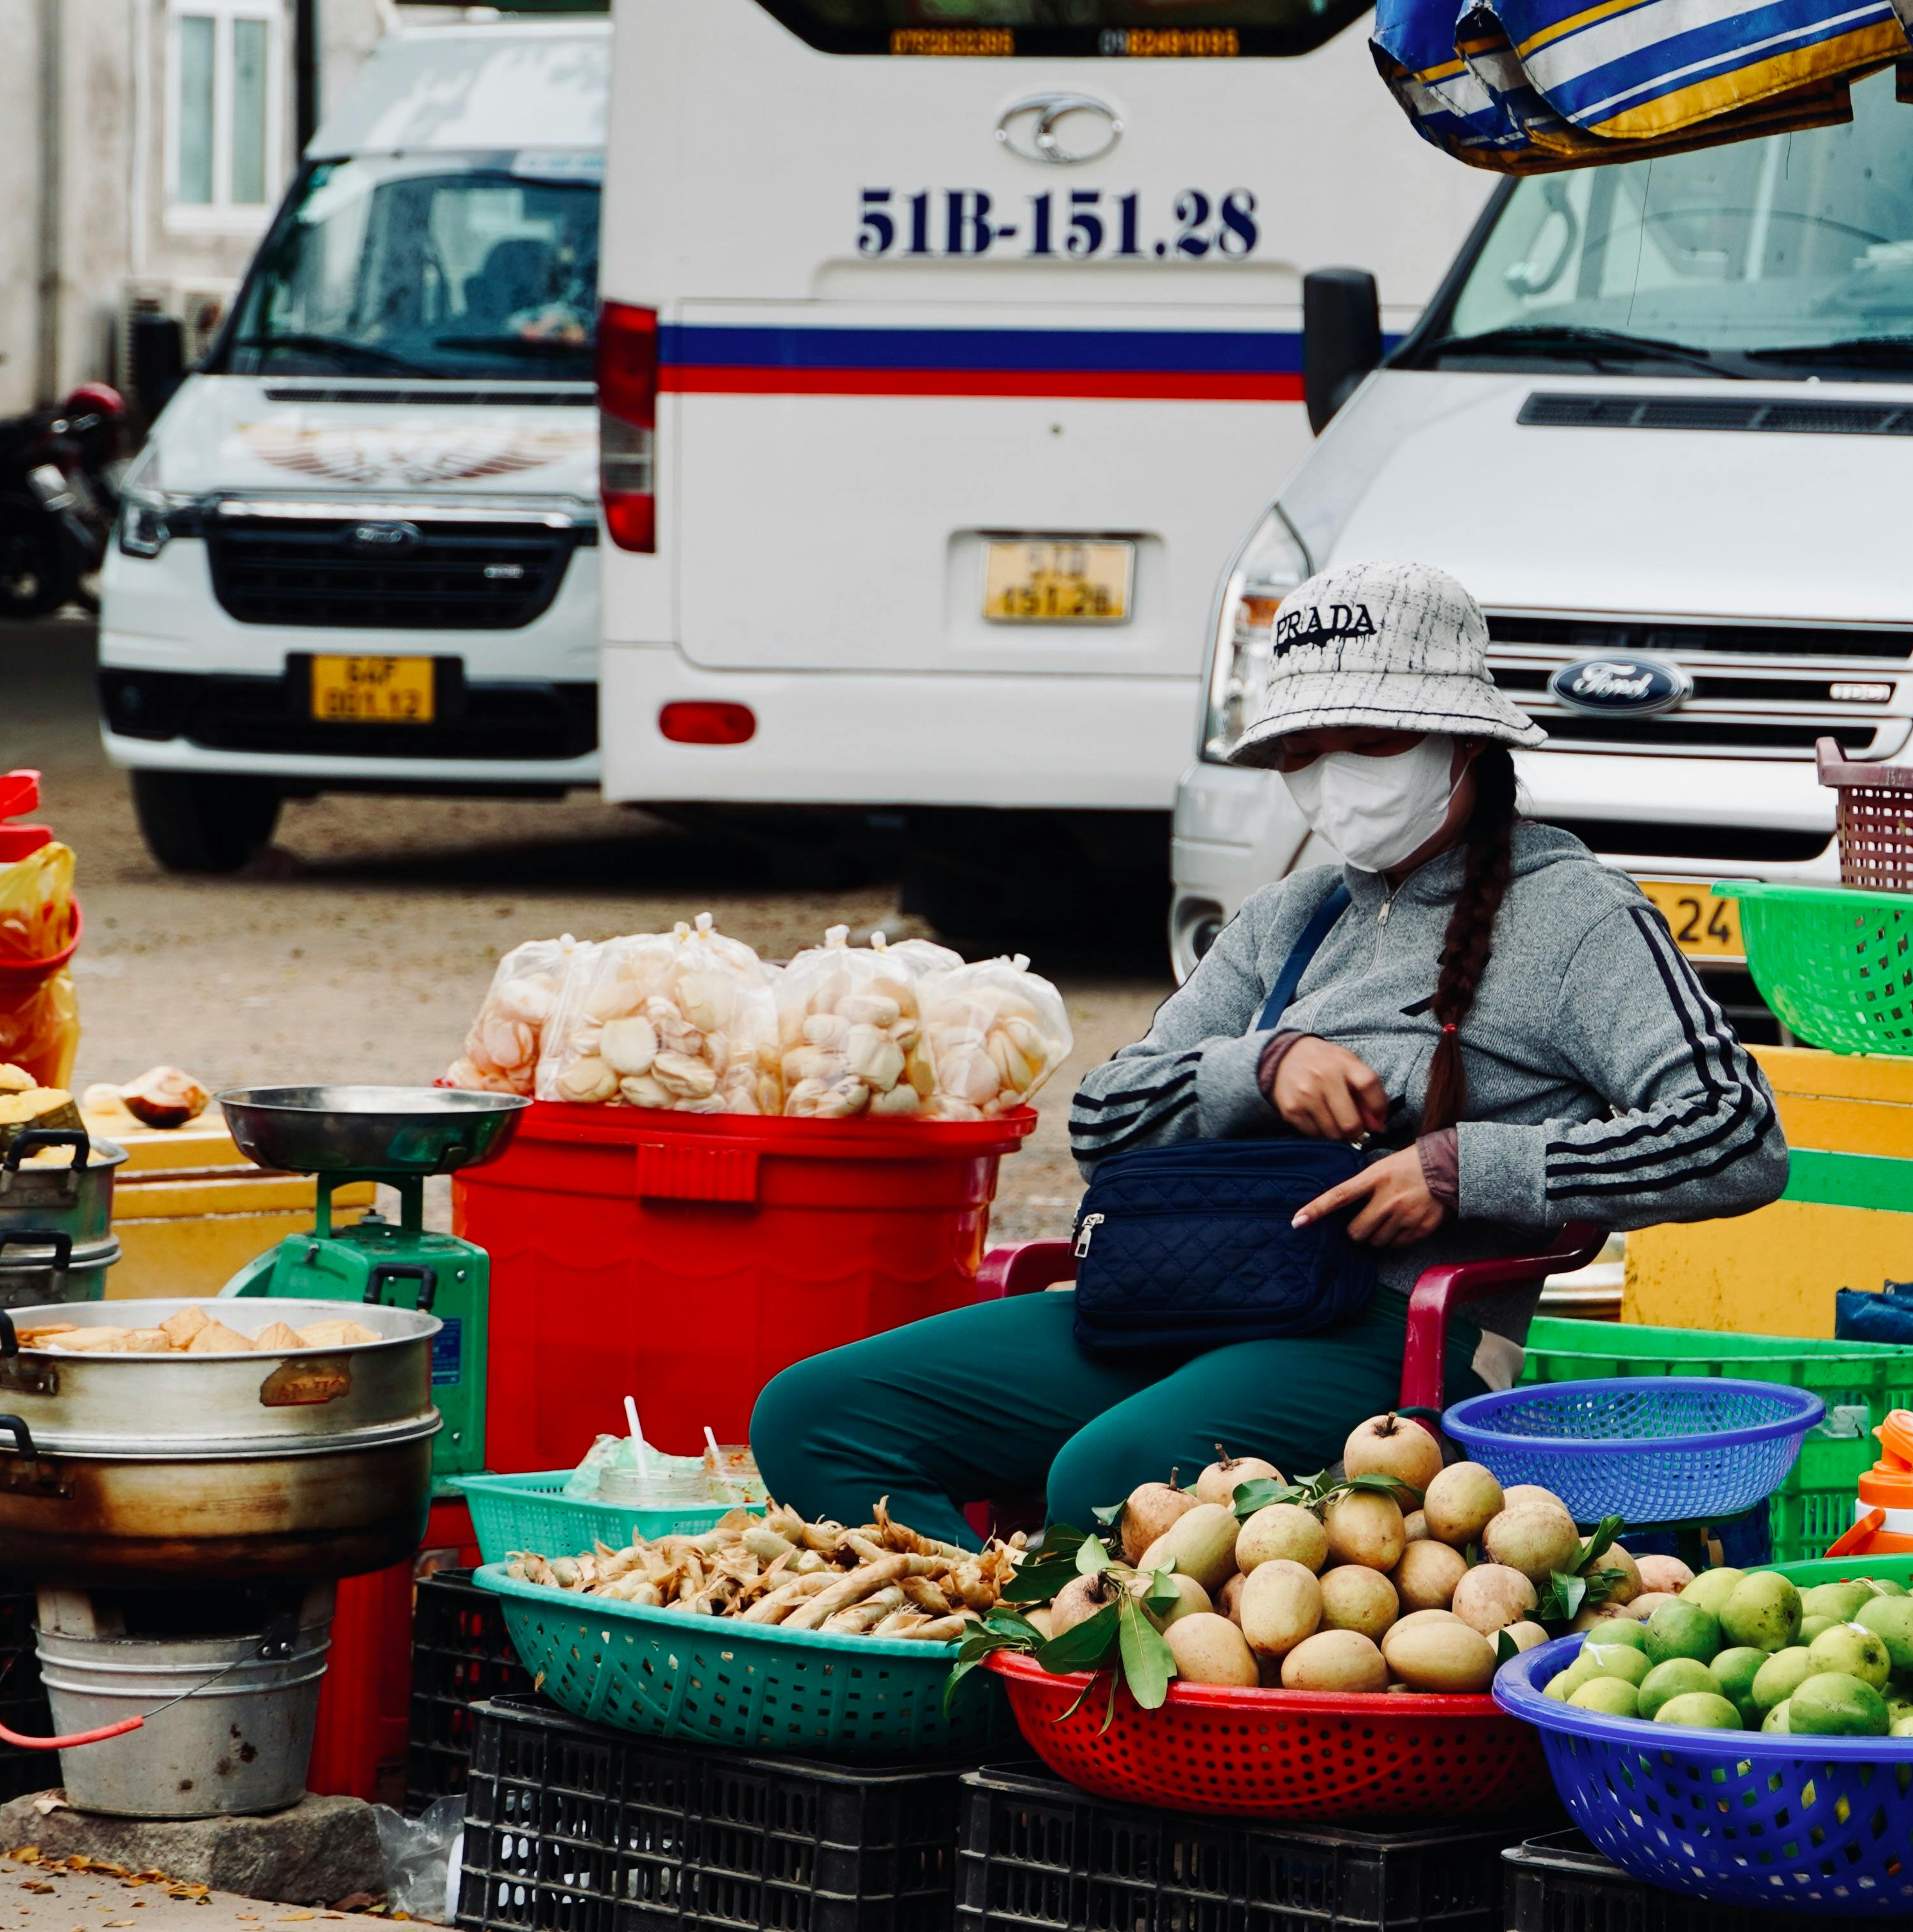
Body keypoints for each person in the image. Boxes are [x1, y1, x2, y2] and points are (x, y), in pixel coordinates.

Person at [750, 561, 1788, 1541]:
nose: (1332, 778)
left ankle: (1050, 1682)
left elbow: (1735, 1136)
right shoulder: (1288, 918)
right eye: (1302, 753)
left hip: (1395, 1332)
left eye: (1367, 742)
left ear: (1463, 744)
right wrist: (1261, 1069)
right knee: (814, 1415)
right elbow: (1105, 1119)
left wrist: (1467, 1169)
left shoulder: (1576, 918)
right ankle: (982, 1656)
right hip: (1196, 1296)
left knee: (1110, 1475)